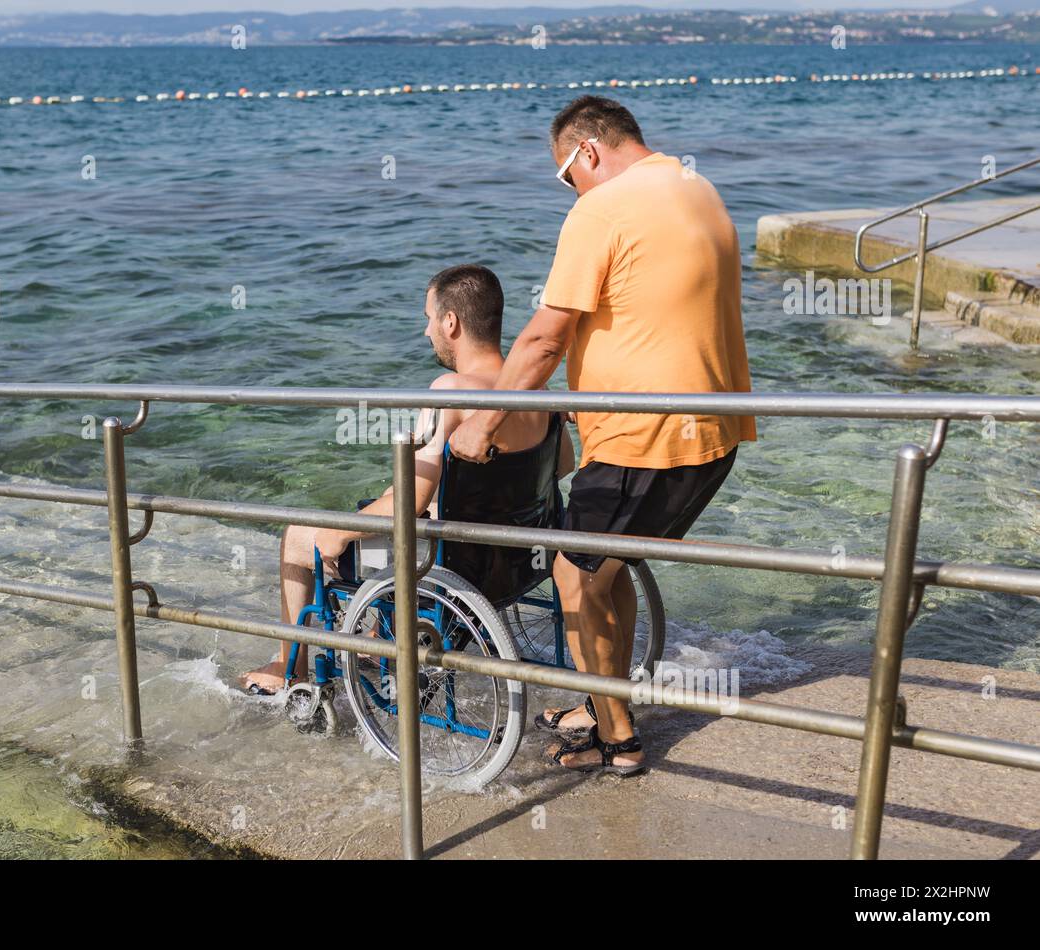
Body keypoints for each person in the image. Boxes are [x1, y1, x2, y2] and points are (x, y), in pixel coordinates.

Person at [449, 96, 756, 775]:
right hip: (711, 432)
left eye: (565, 176)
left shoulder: (604, 206)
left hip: (647, 437)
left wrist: (482, 421)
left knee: (573, 575)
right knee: (602, 570)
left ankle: (618, 740)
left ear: (587, 152)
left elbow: (543, 338)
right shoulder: (693, 185)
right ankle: (601, 704)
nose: (570, 190)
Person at [242, 264, 570, 695]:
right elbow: (562, 466)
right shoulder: (540, 391)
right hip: (519, 559)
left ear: (450, 322)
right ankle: (380, 641)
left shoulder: (450, 389)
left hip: (458, 564)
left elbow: (413, 499)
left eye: (429, 318)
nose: (426, 331)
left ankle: (289, 668)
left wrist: (341, 533)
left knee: (300, 536)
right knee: (384, 505)